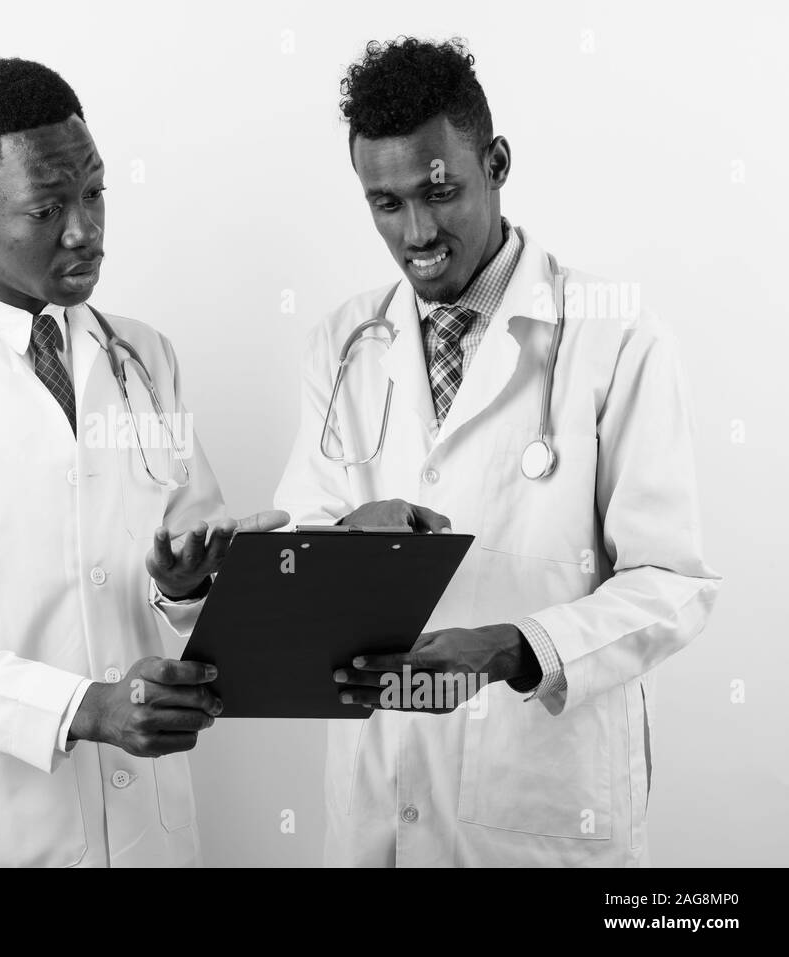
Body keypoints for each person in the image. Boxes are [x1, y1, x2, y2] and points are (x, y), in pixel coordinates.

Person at [0, 58, 285, 867]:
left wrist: (186, 588)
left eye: (94, 193)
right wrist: (83, 708)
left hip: (148, 833)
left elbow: (185, 577)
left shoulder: (145, 357)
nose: (84, 229)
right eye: (46, 208)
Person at [274, 37, 721, 866]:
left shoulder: (617, 336)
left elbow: (673, 584)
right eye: (386, 203)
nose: (418, 232)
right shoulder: (342, 343)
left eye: (438, 190)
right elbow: (301, 550)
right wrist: (344, 534)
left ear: (496, 161)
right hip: (379, 799)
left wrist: (515, 648)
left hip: (541, 806)